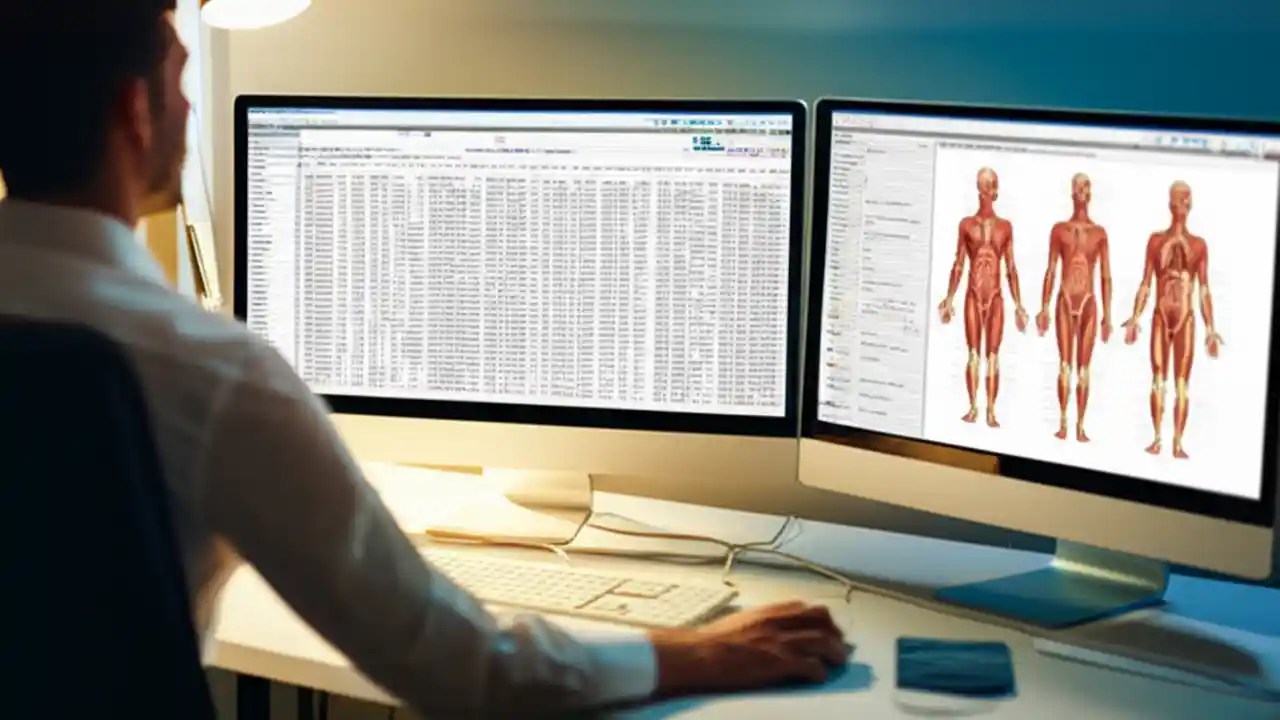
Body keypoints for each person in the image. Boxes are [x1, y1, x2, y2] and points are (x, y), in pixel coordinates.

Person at [0, 2, 848, 716]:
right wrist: (690, 655)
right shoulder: (211, 374)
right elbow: (459, 669)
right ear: (133, 112)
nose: (190, 108)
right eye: (181, 79)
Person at [1122, 181, 1223, 459]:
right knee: (1158, 380)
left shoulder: (1199, 245)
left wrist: (1211, 330)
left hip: (1185, 319)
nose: (1183, 204)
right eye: (1179, 199)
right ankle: (1157, 438)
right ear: (1170, 203)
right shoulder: (1156, 241)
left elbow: (1204, 288)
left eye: (1187, 199)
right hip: (1160, 315)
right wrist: (1135, 316)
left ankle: (1177, 443)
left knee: (1181, 384)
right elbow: (1146, 282)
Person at [937, 167, 1029, 428]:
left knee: (992, 355)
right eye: (988, 184)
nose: (990, 189)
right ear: (981, 189)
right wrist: (949, 297)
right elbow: (959, 263)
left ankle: (990, 410)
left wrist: (1019, 304)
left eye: (993, 184)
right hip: (973, 295)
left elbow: (1011, 267)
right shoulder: (966, 225)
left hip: (996, 296)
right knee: (974, 354)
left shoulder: (1005, 227)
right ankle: (973, 408)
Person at [1035, 173, 1113, 442]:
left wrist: (1107, 317)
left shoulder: (1099, 234)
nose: (1081, 190)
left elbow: (1105, 276)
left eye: (1086, 186)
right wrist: (1043, 307)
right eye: (1077, 186)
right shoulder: (1059, 230)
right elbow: (1051, 269)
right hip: (1065, 298)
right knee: (1065, 364)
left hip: (1089, 301)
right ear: (1071, 192)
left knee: (1083, 367)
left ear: (1090, 193)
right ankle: (1063, 422)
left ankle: (1080, 426)